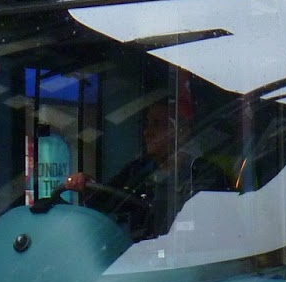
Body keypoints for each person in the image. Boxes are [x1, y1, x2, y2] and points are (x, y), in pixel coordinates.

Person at [65, 101, 226, 238]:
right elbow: (110, 201)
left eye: (158, 124)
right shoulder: (139, 170)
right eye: (148, 124)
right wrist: (88, 187)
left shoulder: (205, 174)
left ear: (182, 132)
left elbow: (197, 228)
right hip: (139, 256)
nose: (147, 132)